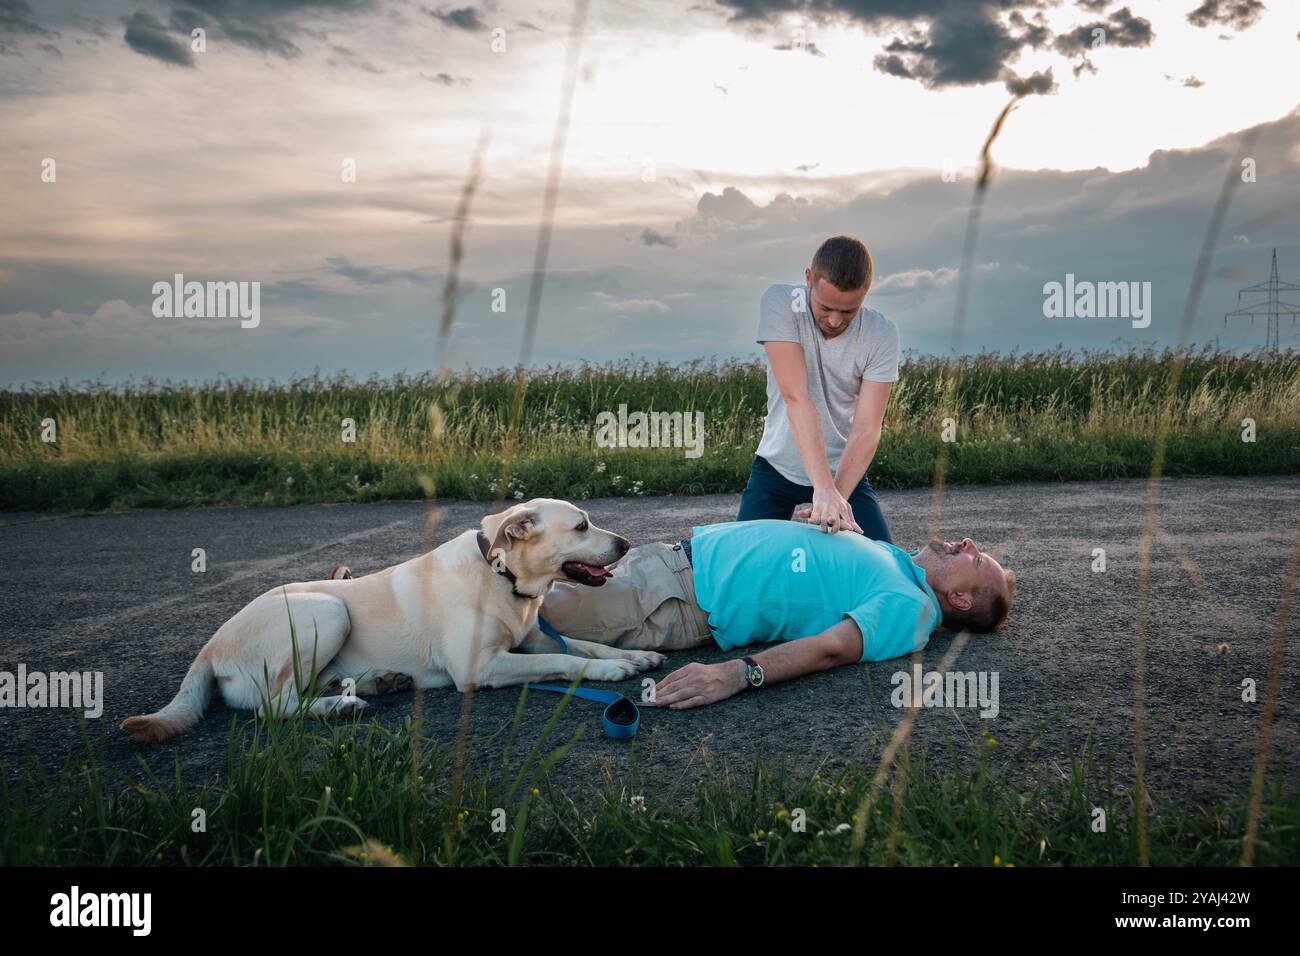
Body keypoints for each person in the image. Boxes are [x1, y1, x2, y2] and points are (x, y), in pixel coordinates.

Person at [538, 518, 1016, 711]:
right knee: (523, 585)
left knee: (522, 606)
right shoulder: (898, 565)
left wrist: (737, 674)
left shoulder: (911, 609)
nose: (967, 544)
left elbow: (833, 649)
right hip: (671, 565)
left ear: (960, 602)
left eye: (973, 561)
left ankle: (467, 657)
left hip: (675, 595)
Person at [742, 235, 899, 540]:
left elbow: (867, 428)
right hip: (777, 468)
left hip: (844, 473)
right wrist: (822, 489)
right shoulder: (782, 303)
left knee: (886, 561)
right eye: (825, 307)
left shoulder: (882, 333)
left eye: (850, 311)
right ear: (808, 279)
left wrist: (834, 497)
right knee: (740, 564)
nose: (836, 320)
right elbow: (796, 397)